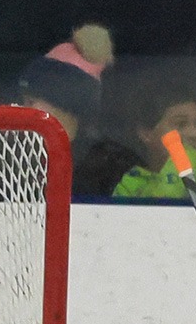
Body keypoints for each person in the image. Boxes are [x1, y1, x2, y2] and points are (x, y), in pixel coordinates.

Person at [15, 23, 141, 197]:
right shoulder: (15, 154)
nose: (22, 108)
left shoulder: (108, 167)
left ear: (67, 104)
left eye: (31, 100)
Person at [111, 77, 196, 200]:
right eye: (180, 124)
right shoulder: (129, 186)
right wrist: (177, 171)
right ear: (146, 132)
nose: (194, 134)